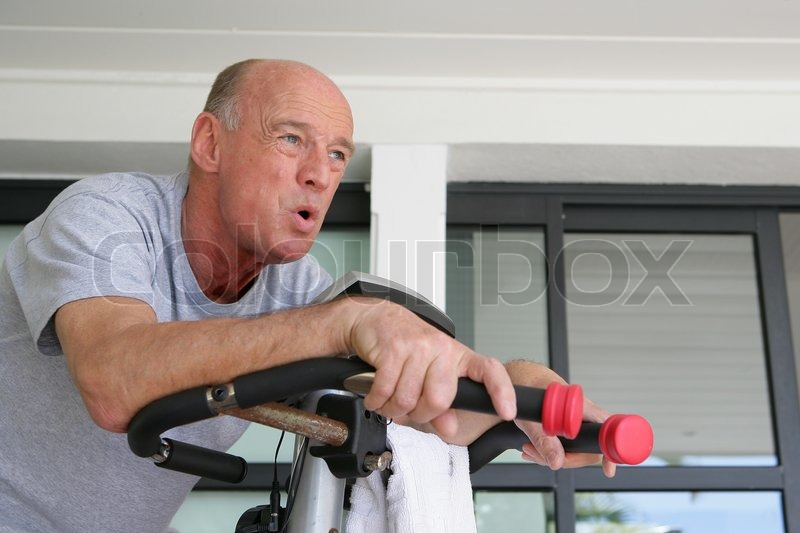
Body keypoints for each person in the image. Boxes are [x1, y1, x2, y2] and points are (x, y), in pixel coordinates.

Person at [0, 58, 614, 532]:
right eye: (291, 139)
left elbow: (429, 414)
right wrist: (341, 325)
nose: (320, 173)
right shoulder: (109, 215)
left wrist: (517, 393)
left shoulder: (295, 292)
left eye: (338, 153)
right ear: (211, 144)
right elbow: (112, 380)